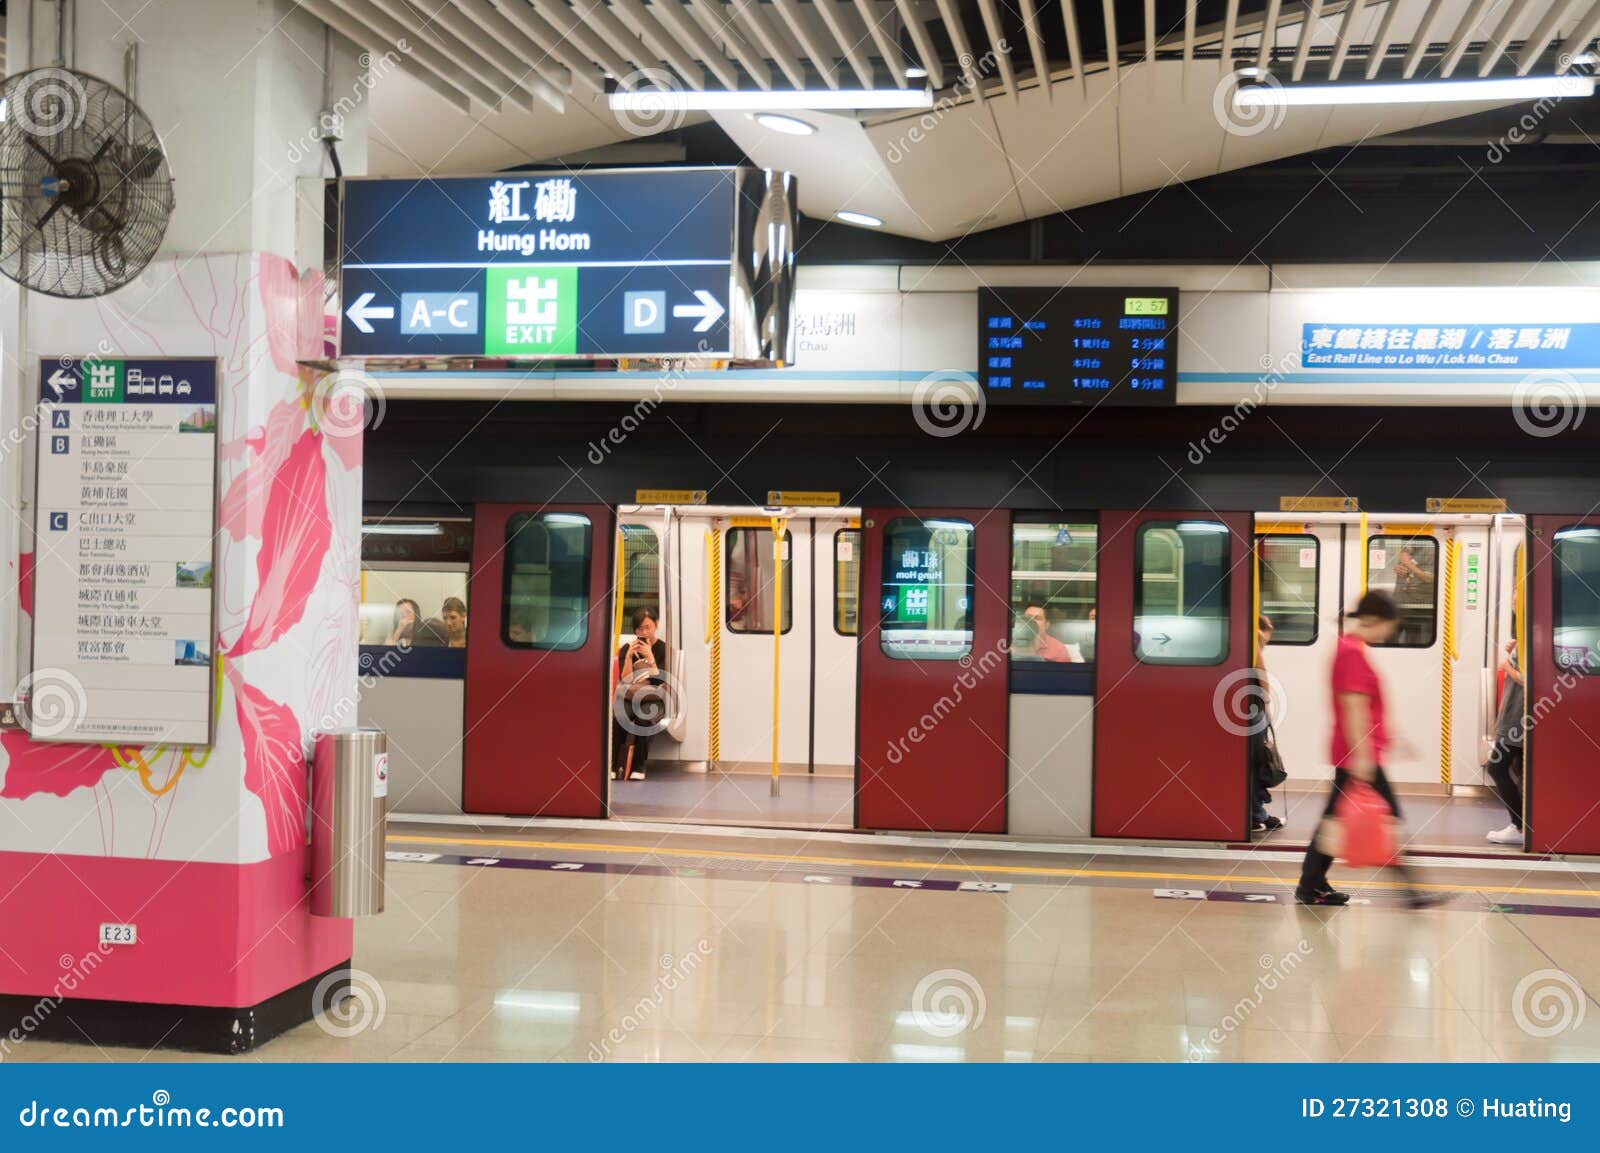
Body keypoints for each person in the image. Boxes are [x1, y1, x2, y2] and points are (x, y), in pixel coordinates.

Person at [1296, 590, 1440, 908]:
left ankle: (1311, 885)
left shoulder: (1352, 648)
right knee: (1389, 817)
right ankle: (1413, 892)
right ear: (1374, 620)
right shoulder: (1351, 652)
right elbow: (1353, 706)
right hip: (1358, 754)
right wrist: (1362, 757)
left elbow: (1365, 705)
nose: (1390, 633)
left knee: (1334, 819)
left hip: (1358, 751)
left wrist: (1393, 739)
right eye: (1389, 626)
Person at [613, 608, 668, 781]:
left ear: (656, 625)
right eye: (639, 629)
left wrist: (650, 657)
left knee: (645, 718)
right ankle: (614, 766)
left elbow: (659, 681)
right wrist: (629, 657)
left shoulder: (664, 649)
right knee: (618, 717)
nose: (644, 632)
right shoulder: (627, 649)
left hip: (653, 697)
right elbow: (626, 679)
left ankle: (638, 767)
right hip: (630, 695)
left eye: (647, 627)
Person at [1484, 638, 1526, 845]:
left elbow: (1530, 679)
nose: (1513, 602)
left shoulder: (1531, 635)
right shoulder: (1524, 634)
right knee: (1520, 771)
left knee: (1497, 768)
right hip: (1518, 717)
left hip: (1519, 719)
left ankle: (1519, 826)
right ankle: (1523, 825)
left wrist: (1508, 667)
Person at [1252, 614, 1285, 833]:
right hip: (1252, 706)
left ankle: (1257, 813)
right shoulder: (1251, 634)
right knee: (1257, 761)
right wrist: (1266, 700)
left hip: (1245, 705)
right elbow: (1260, 669)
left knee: (1255, 761)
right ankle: (1256, 814)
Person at [1391, 546, 1435, 645]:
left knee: (1414, 642)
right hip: (1400, 603)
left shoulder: (1431, 549)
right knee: (1389, 640)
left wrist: (1409, 564)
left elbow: (1429, 578)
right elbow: (1409, 575)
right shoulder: (1406, 550)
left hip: (1419, 606)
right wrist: (1399, 569)